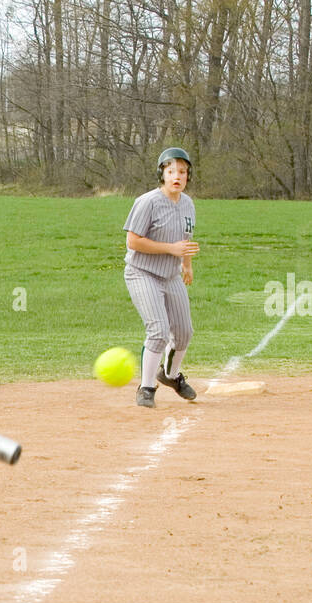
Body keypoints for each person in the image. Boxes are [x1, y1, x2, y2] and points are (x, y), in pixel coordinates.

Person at [123, 146, 201, 408]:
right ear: (162, 174)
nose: (176, 176)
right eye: (171, 171)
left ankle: (170, 375)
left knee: (184, 333)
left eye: (182, 171)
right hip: (142, 273)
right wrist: (172, 250)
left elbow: (185, 241)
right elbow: (132, 242)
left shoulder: (188, 204)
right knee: (158, 330)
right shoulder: (147, 202)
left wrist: (186, 265)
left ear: (188, 176)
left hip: (171, 275)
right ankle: (146, 388)